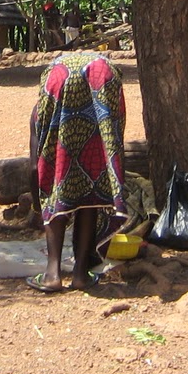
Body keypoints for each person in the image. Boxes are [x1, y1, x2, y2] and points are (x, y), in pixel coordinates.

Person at [28, 51, 129, 293]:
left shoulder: (42, 111)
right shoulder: (102, 113)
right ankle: (81, 274)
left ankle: (52, 274)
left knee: (57, 191)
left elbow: (35, 167)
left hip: (68, 83)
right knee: (90, 193)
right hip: (101, 82)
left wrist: (37, 204)